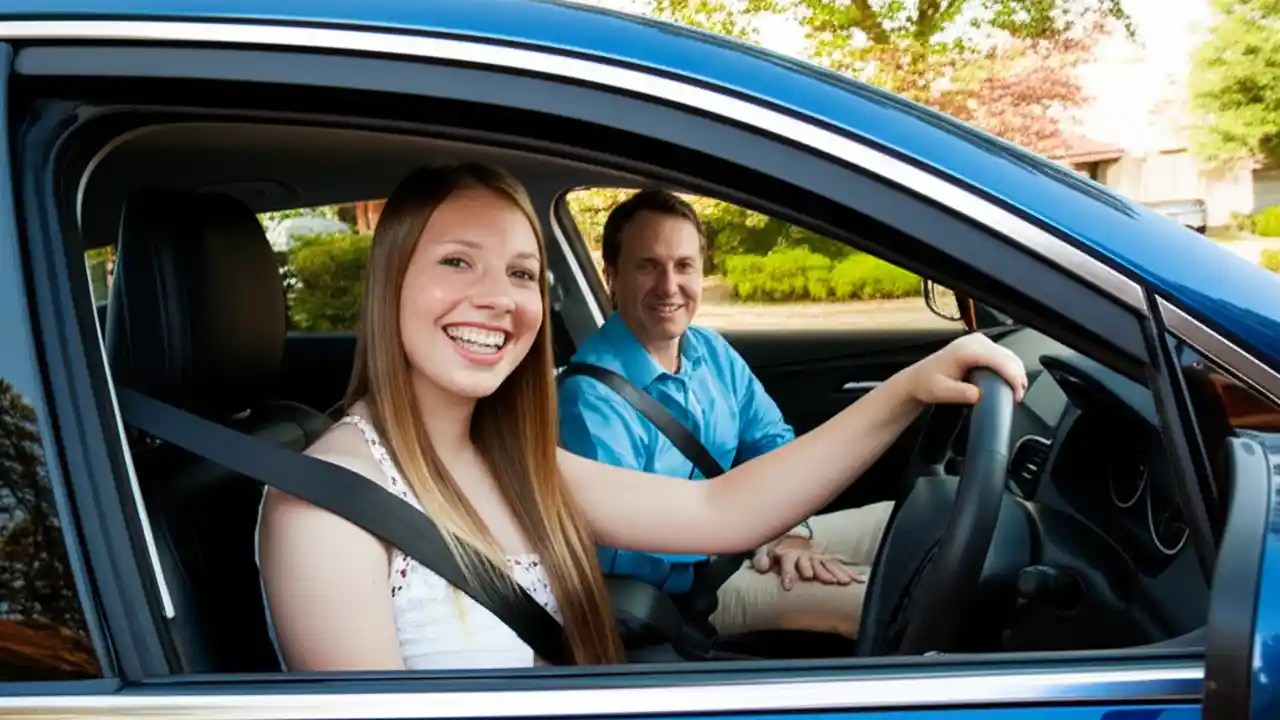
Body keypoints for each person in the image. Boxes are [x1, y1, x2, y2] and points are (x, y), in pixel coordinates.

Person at [255, 162, 1026, 672]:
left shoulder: (507, 454)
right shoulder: (326, 507)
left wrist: (906, 391)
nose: (497, 296)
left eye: (522, 273)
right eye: (457, 261)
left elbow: (718, 508)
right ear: (391, 281)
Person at [557, 189, 893, 641]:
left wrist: (790, 532)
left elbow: (773, 442)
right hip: (687, 591)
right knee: (881, 603)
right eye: (648, 266)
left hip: (752, 537)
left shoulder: (712, 352)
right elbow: (616, 549)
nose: (669, 286)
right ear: (612, 276)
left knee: (908, 529)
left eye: (683, 266)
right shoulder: (590, 398)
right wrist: (750, 533)